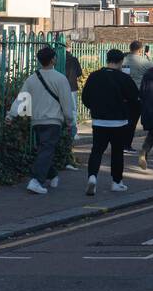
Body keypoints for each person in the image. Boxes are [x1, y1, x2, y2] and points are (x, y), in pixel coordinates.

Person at [8, 46, 76, 194]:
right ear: (53, 60)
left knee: (44, 150)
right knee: (46, 150)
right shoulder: (60, 78)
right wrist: (70, 121)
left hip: (37, 121)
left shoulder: (32, 78)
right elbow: (66, 103)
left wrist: (11, 115)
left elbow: (22, 99)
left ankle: (52, 175)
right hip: (53, 122)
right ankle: (36, 181)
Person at [81, 48, 140, 195]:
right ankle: (116, 182)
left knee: (96, 150)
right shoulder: (124, 78)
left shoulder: (94, 76)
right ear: (121, 62)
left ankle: (93, 177)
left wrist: (94, 108)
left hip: (99, 120)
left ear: (107, 60)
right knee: (117, 152)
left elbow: (85, 98)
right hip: (118, 122)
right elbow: (134, 98)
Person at [121, 41, 152, 153]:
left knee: (123, 120)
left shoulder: (123, 60)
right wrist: (149, 58)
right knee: (132, 121)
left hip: (122, 94)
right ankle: (127, 145)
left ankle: (120, 143)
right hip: (137, 95)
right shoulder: (144, 61)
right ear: (140, 50)